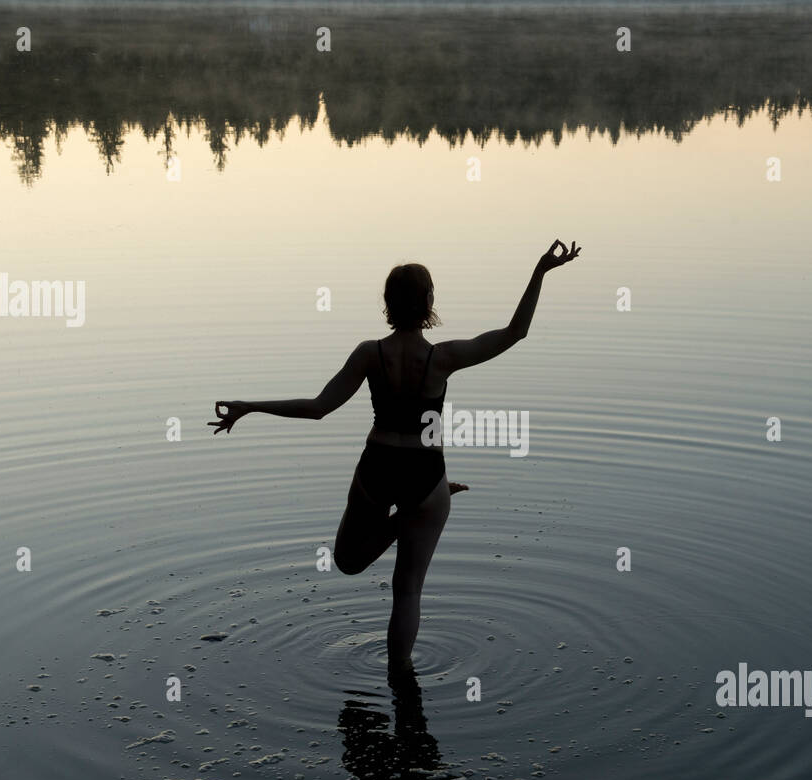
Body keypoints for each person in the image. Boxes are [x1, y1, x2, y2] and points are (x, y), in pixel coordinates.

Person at [209, 239, 581, 671]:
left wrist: (251, 406)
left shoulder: (371, 354)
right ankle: (402, 685)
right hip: (425, 475)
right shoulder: (442, 358)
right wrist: (540, 271)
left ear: (387, 303)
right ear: (428, 302)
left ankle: (406, 521)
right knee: (407, 591)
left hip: (378, 466)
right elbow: (515, 332)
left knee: (347, 562)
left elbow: (318, 409)